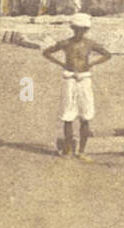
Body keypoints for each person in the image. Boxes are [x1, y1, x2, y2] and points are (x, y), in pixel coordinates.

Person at [41, 12, 112, 159]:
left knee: (85, 116)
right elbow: (46, 52)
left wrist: (91, 63)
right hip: (70, 78)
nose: (79, 31)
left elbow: (107, 54)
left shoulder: (90, 44)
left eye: (83, 29)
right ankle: (67, 149)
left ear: (86, 30)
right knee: (68, 115)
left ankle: (82, 151)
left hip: (85, 79)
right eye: (77, 28)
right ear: (73, 28)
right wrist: (61, 64)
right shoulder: (66, 43)